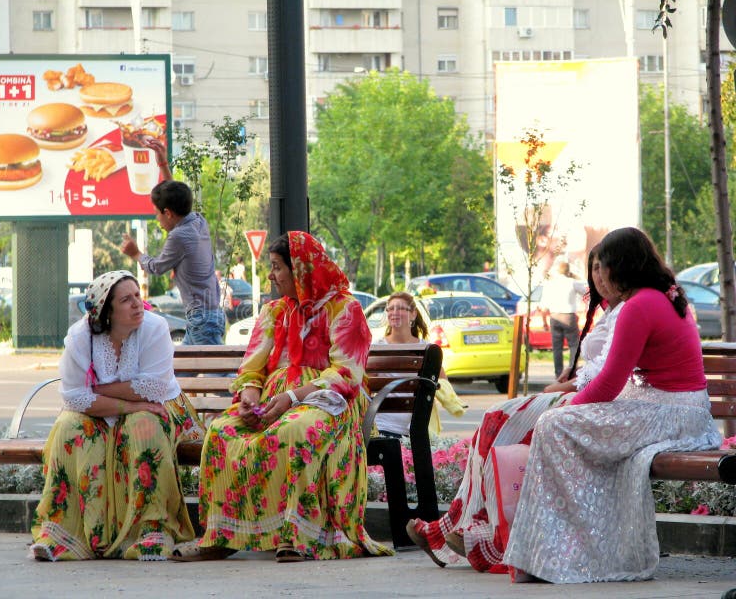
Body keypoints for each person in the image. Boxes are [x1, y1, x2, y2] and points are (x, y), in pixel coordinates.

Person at [504, 227, 723, 583]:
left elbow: (608, 383)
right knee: (560, 426)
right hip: (676, 411)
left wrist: (565, 408)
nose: (600, 275)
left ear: (618, 267)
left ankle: (565, 552)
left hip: (671, 414)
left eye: (602, 266)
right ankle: (559, 550)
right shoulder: (657, 297)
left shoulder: (641, 305)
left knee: (553, 425)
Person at [174, 231, 392, 562]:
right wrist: (249, 396)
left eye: (277, 267)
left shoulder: (345, 309)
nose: (272, 276)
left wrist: (292, 397)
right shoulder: (275, 311)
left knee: (294, 430)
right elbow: (252, 367)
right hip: (273, 399)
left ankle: (297, 535)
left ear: (300, 269)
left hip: (328, 400)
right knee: (222, 431)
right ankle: (220, 536)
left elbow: (346, 374)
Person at [406, 246, 623, 571]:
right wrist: (572, 378)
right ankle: (462, 527)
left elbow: (613, 378)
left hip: (604, 408)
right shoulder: (612, 312)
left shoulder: (630, 311)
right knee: (494, 419)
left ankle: (480, 535)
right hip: (588, 400)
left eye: (603, 268)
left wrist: (563, 387)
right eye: (592, 270)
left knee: (502, 421)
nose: (598, 277)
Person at [30, 270, 204, 561]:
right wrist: (128, 404)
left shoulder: (155, 327)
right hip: (104, 412)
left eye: (138, 295)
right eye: (126, 300)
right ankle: (66, 535)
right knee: (68, 428)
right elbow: (74, 397)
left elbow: (154, 388)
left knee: (143, 426)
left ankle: (150, 530)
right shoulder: (79, 337)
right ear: (106, 312)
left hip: (158, 406)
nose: (138, 304)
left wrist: (101, 390)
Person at [120, 174, 225, 345]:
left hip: (201, 317)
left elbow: (156, 267)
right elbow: (176, 198)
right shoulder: (199, 221)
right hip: (208, 314)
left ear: (167, 213)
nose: (157, 219)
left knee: (219, 370)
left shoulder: (179, 236)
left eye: (156, 213)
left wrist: (135, 253)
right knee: (179, 367)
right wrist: (163, 166)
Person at [374, 291, 465, 438]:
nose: (394, 313)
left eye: (400, 308)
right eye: (390, 309)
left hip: (417, 427)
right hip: (386, 426)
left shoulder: (427, 349)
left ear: (413, 314)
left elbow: (441, 382)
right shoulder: (377, 347)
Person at [538, 260, 587, 378]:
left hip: (554, 316)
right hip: (569, 316)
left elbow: (543, 306)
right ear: (568, 271)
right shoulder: (572, 282)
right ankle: (571, 371)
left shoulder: (550, 283)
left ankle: (558, 374)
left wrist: (544, 321)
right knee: (574, 345)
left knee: (557, 348)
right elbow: (586, 291)